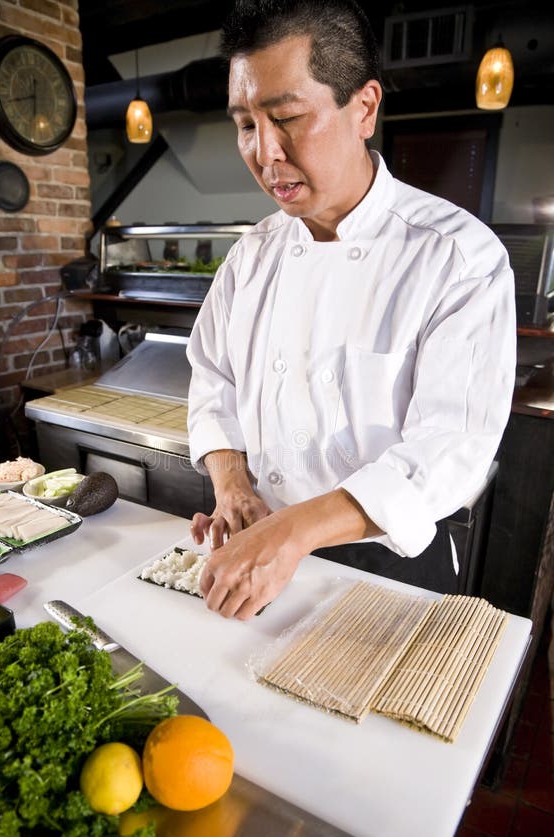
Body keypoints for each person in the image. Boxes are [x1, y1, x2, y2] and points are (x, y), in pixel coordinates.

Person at [186, 0, 516, 620]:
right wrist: (231, 484)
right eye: (246, 125)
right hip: (263, 546)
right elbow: (212, 378)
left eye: (286, 118)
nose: (264, 152)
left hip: (390, 566)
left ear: (364, 108)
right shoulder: (250, 256)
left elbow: (450, 448)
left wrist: (294, 532)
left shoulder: (457, 257)